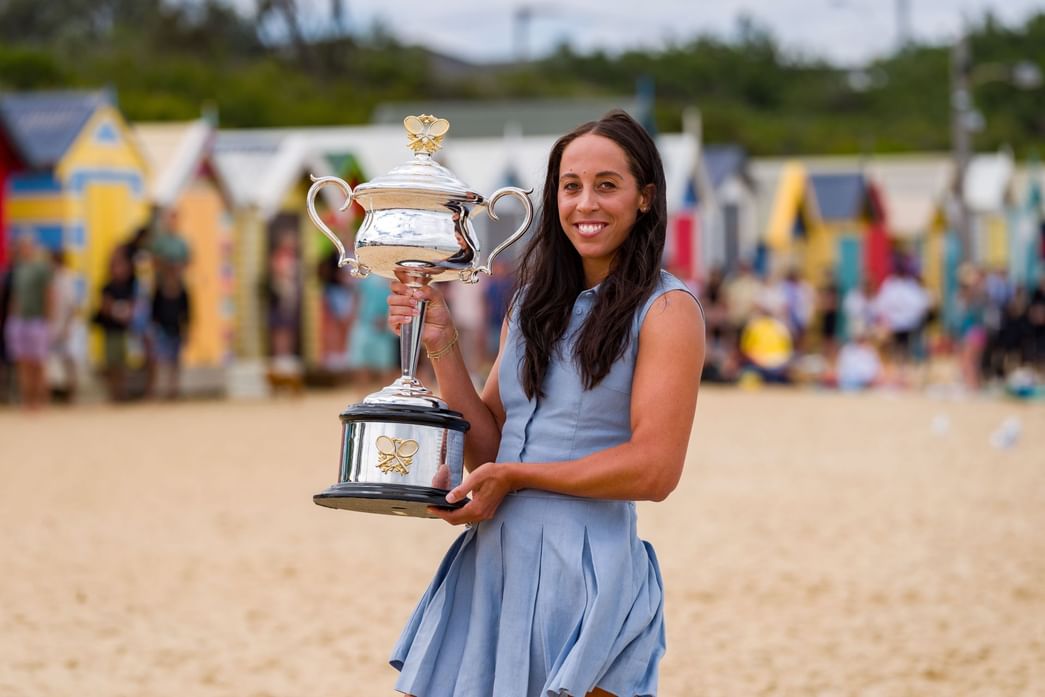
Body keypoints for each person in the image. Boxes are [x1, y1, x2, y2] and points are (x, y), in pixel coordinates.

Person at [385, 110, 705, 697]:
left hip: (587, 573)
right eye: (571, 186)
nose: (586, 203)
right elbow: (488, 442)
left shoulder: (668, 309)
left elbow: (657, 470)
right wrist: (442, 346)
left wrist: (515, 476)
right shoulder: (530, 303)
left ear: (645, 198)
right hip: (494, 560)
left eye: (607, 185)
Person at [4, 234, 53, 410]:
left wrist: (48, 319)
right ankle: (27, 400)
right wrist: (12, 319)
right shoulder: (18, 269)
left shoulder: (41, 268)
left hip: (37, 319)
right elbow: (15, 297)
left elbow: (48, 294)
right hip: (20, 320)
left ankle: (41, 401)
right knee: (23, 363)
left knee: (38, 363)